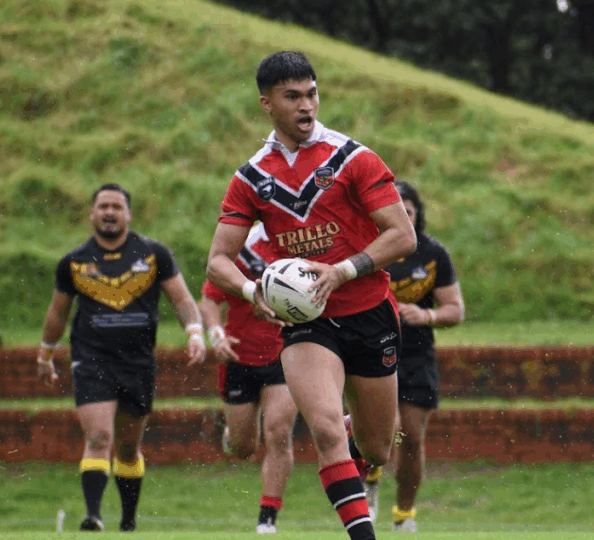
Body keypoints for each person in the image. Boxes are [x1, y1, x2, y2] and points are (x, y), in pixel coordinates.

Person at [206, 51, 417, 540]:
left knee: (378, 447)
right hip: (308, 322)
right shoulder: (251, 178)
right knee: (323, 429)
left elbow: (402, 236)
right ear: (267, 104)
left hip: (370, 313)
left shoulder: (353, 158)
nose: (307, 106)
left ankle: (353, 440)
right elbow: (218, 259)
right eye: (292, 96)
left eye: (312, 93)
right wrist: (248, 287)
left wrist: (342, 270)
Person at [35, 183, 207, 532]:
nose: (109, 212)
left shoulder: (154, 254)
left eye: (116, 206)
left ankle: (128, 520)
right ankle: (93, 516)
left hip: (138, 362)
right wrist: (45, 353)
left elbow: (182, 300)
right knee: (98, 437)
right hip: (91, 359)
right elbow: (57, 313)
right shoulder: (74, 262)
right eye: (103, 206)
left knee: (128, 449)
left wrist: (195, 332)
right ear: (92, 214)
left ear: (128, 214)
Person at [363, 180, 465, 532]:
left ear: (417, 214)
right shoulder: (367, 251)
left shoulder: (433, 254)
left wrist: (428, 316)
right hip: (374, 353)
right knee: (385, 433)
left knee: (411, 437)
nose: (403, 216)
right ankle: (371, 474)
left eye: (409, 211)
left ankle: (404, 514)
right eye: (396, 211)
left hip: (417, 357)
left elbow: (455, 309)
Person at [200, 222, 298, 534]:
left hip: (285, 353)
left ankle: (267, 516)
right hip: (239, 355)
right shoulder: (240, 244)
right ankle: (234, 433)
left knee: (279, 431)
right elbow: (210, 298)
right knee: (243, 449)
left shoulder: (303, 240)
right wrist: (217, 337)